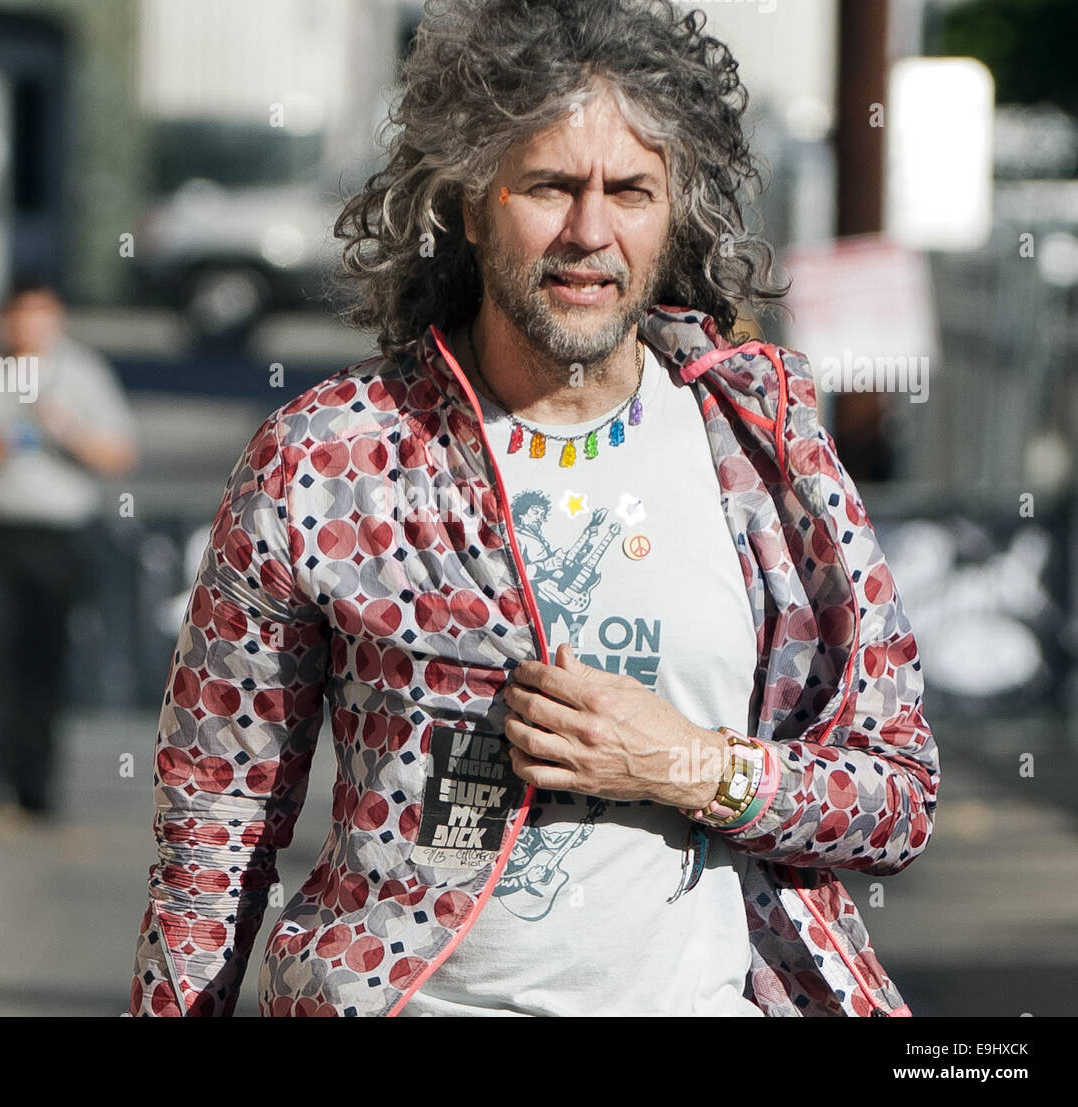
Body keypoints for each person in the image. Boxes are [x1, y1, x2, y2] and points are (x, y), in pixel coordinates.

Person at [126, 0, 938, 1017]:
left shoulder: (767, 447)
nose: (589, 232)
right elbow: (216, 817)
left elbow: (896, 801)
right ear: (470, 202)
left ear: (673, 209)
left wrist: (688, 766)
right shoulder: (327, 459)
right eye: (550, 185)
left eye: (630, 191)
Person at [0, 276, 138, 817]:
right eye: (20, 315)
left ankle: (35, 787)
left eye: (40, 315)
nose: (29, 327)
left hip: (60, 535)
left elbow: (118, 454)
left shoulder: (83, 373)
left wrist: (68, 431)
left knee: (45, 660)